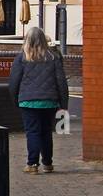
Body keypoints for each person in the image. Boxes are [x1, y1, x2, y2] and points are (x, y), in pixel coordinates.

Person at [7, 27, 69, 174]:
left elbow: (14, 82)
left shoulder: (22, 58)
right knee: (46, 132)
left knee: (33, 132)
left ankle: (32, 164)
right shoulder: (53, 57)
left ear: (27, 40)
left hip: (28, 101)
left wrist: (15, 100)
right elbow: (61, 82)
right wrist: (64, 104)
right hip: (50, 101)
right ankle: (47, 163)